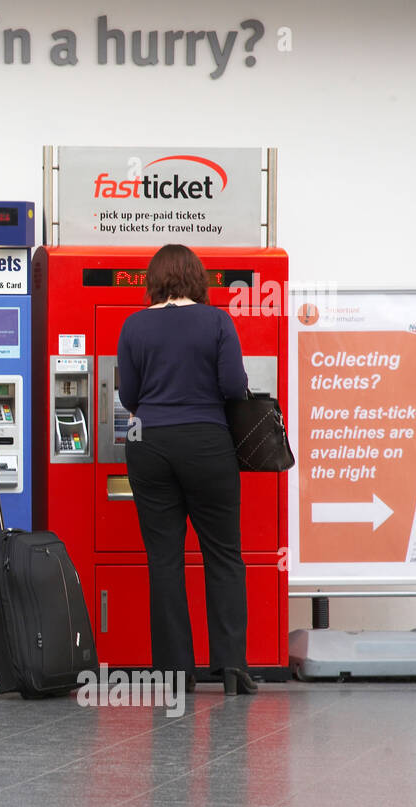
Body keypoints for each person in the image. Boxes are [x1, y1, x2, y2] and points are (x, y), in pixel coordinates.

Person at [116, 244, 257, 696]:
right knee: (223, 555)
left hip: (149, 443)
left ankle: (176, 673)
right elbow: (235, 386)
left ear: (154, 280)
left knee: (164, 559)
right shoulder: (217, 322)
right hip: (207, 442)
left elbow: (128, 395)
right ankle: (232, 667)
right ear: (198, 278)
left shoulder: (134, 325)